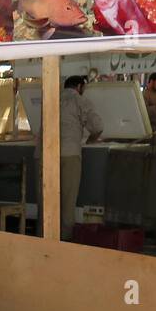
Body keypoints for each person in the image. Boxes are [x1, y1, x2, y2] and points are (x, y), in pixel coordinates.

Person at [59, 75, 103, 238]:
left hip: (43, 155)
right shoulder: (79, 100)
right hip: (69, 153)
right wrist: (92, 139)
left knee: (46, 199)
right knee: (68, 200)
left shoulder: (52, 97)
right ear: (79, 86)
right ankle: (64, 239)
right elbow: (98, 126)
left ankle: (43, 237)